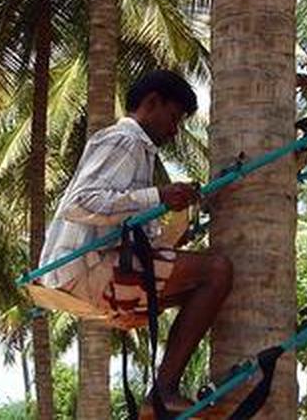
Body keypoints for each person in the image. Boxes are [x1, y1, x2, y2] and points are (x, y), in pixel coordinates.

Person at [39, 70, 233, 415]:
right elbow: (81, 204)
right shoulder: (124, 140)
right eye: (173, 117)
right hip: (88, 267)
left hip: (89, 275)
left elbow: (121, 218)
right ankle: (164, 391)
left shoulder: (137, 151)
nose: (174, 130)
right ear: (151, 103)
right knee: (217, 272)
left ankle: (159, 397)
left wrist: (174, 227)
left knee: (199, 290)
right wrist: (158, 195)